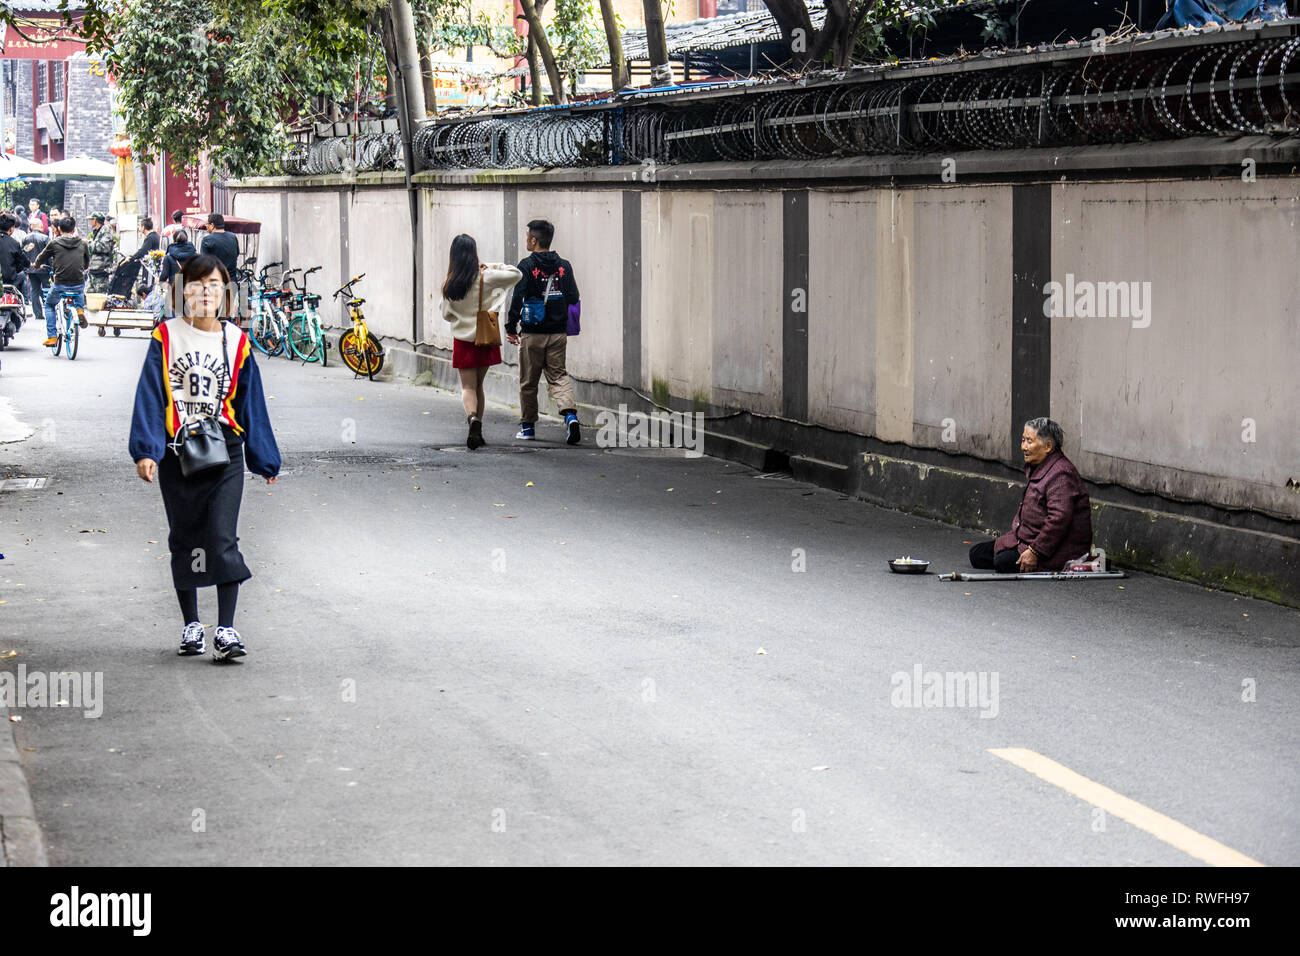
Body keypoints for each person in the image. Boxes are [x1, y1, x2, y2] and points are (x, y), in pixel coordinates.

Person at [129, 254, 281, 660]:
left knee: (221, 536)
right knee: (187, 537)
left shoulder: (237, 341)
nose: (205, 292)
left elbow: (252, 404)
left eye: (214, 285)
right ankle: (192, 624)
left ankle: (226, 630)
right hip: (178, 453)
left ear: (226, 293)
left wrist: (264, 458)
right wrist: (146, 451)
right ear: (183, 291)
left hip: (225, 451)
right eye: (196, 284)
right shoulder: (166, 336)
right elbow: (150, 394)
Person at [969, 417, 1093, 573]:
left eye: (1029, 441)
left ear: (1048, 446)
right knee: (976, 554)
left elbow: (1058, 519)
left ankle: (1033, 559)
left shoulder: (1062, 473)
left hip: (1056, 549)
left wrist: (1035, 551)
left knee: (1002, 562)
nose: (1023, 447)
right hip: (1024, 540)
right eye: (1023, 440)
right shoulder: (1039, 466)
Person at [438, 234, 522, 450]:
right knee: (479, 385)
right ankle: (479, 429)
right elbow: (516, 273)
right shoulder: (487, 277)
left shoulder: (449, 284)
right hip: (485, 338)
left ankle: (472, 418)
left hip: (463, 341)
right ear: (474, 253)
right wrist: (490, 265)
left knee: (467, 386)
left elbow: (446, 314)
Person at [505, 219, 582, 444]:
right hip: (558, 333)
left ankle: (528, 428)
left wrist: (511, 327)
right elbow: (574, 297)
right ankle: (570, 416)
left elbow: (517, 298)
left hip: (533, 334)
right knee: (558, 376)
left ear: (533, 240)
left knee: (528, 381)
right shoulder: (564, 266)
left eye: (528, 236)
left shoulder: (526, 266)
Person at [32, 217, 88, 347]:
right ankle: (79, 310)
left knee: (49, 305)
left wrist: (36, 265)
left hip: (60, 283)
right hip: (78, 282)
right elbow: (86, 264)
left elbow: (42, 256)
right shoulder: (83, 244)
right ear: (74, 229)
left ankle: (52, 337)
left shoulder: (55, 243)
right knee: (79, 288)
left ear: (59, 229)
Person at [158, 229, 197, 316]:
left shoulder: (169, 257)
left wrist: (161, 283)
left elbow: (164, 276)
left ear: (173, 240)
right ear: (187, 239)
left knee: (175, 317)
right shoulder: (195, 256)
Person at [20, 221, 50, 316]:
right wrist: (51, 267)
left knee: (34, 290)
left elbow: (22, 253)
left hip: (31, 268)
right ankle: (49, 310)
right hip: (44, 268)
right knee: (47, 289)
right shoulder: (45, 238)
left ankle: (38, 313)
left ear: (31, 227)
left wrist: (26, 267)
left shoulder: (25, 238)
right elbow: (50, 254)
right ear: (41, 226)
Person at [86, 213, 116, 294]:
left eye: (91, 220)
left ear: (95, 220)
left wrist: (88, 243)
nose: (90, 222)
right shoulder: (95, 232)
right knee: (89, 295)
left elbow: (104, 247)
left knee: (100, 296)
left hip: (101, 270)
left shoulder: (106, 231)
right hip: (93, 270)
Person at [0, 214, 30, 288]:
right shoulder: (14, 243)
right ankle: (26, 299)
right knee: (22, 275)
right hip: (9, 280)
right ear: (11, 229)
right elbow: (20, 265)